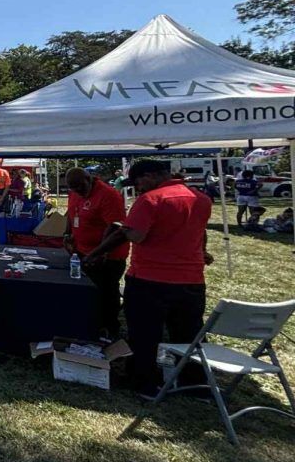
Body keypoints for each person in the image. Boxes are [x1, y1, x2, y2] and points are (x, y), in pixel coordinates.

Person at [83, 159, 213, 397]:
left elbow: (137, 236)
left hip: (150, 279)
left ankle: (144, 382)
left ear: (151, 176)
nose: (138, 187)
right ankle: (194, 383)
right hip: (192, 280)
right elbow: (200, 232)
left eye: (138, 182)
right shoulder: (201, 199)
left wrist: (118, 233)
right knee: (188, 334)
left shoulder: (151, 199)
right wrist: (202, 251)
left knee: (145, 334)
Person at [63, 168, 128, 339]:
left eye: (79, 187)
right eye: (73, 188)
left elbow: (115, 227)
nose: (77, 191)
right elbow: (71, 214)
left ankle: (109, 328)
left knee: (106, 292)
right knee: (87, 291)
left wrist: (99, 252)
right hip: (82, 251)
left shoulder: (109, 195)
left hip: (108, 256)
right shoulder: (75, 193)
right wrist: (67, 234)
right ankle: (89, 323)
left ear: (89, 178)